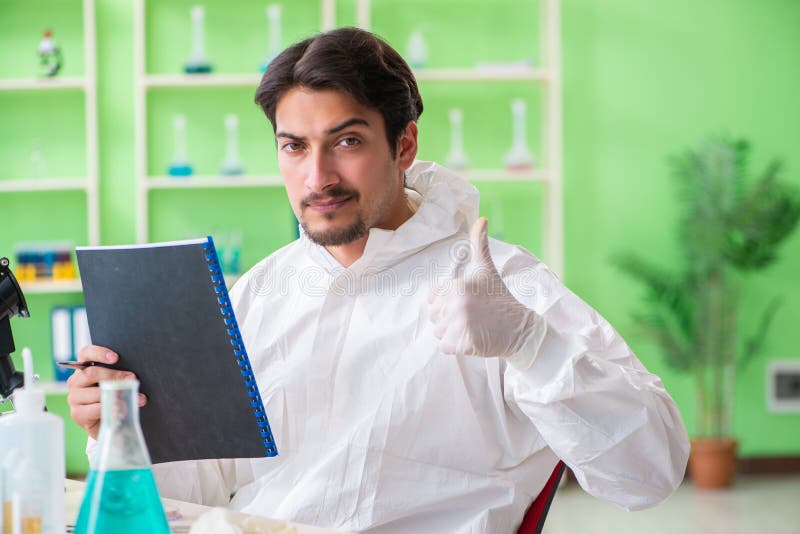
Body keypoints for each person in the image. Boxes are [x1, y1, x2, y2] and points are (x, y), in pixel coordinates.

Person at [67, 27, 690, 533]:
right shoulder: (258, 292)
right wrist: (123, 425)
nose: (318, 177)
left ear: (405, 144)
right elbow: (195, 489)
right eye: (294, 147)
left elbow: (650, 474)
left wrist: (533, 344)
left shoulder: (500, 288)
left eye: (346, 141)